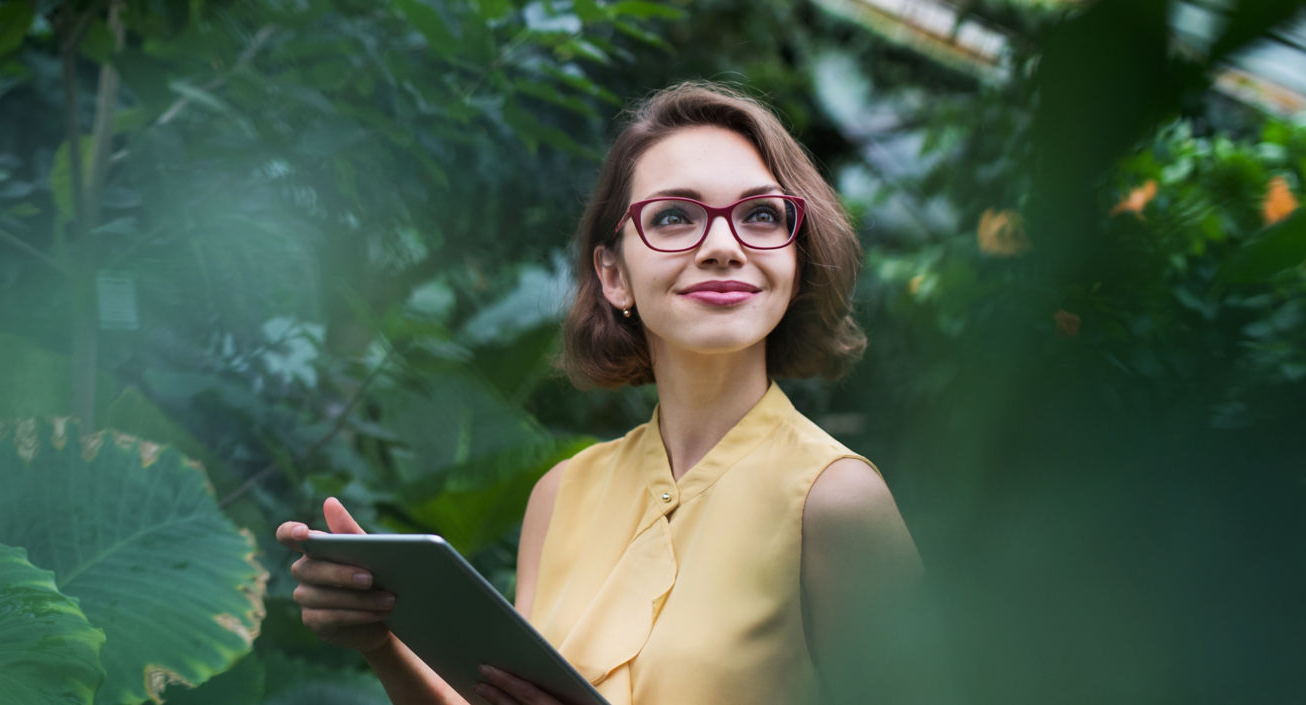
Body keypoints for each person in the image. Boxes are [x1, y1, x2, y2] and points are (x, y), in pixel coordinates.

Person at [275, 81, 923, 705]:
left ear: (797, 259)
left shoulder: (834, 499)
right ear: (613, 274)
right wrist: (382, 642)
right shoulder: (560, 493)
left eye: (760, 215)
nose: (724, 246)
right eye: (674, 217)